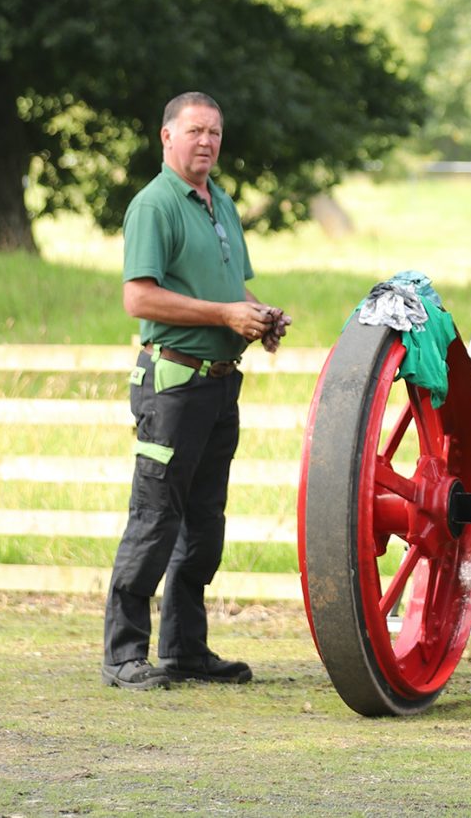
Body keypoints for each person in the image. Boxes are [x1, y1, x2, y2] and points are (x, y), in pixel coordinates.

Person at [102, 91, 290, 690]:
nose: (205, 141)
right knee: (155, 518)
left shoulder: (221, 202)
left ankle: (184, 649)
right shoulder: (154, 206)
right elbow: (140, 298)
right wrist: (225, 316)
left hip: (219, 386)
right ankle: (123, 654)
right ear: (167, 137)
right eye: (194, 131)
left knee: (204, 527)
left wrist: (260, 316)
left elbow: (237, 289)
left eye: (214, 132)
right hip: (173, 385)